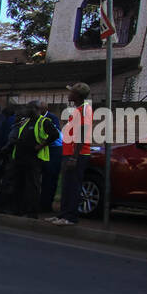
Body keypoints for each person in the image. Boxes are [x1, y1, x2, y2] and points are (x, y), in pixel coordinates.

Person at [49, 83, 93, 225]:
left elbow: (81, 134)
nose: (68, 94)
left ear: (77, 95)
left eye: (71, 92)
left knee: (73, 185)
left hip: (77, 154)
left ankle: (70, 217)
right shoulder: (77, 109)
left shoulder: (84, 110)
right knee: (66, 184)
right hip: (69, 152)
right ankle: (63, 214)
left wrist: (74, 156)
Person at [9, 102, 57, 218]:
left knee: (33, 185)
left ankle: (32, 212)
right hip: (20, 157)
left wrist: (41, 145)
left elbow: (54, 135)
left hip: (34, 158)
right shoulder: (25, 121)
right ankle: (19, 209)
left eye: (28, 107)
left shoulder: (43, 122)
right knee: (19, 184)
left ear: (35, 109)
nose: (26, 110)